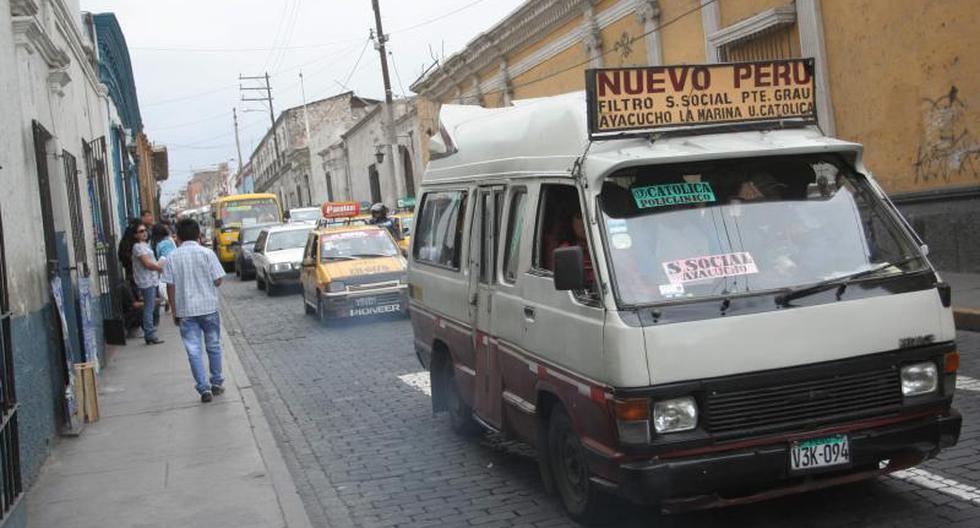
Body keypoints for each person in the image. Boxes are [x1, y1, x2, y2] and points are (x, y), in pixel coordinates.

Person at [162, 218, 227, 403]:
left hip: (186, 311)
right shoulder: (207, 253)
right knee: (213, 346)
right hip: (208, 308)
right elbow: (218, 280)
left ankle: (203, 389)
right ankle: (216, 382)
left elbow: (170, 286)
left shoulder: (172, 257)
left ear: (178, 237)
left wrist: (174, 311)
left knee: (193, 350)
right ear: (198, 234)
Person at [132, 224, 164, 344]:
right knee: (149, 307)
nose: (144, 232)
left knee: (150, 306)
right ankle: (150, 334)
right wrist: (159, 268)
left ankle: (150, 332)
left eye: (145, 230)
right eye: (140, 231)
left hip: (151, 279)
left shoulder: (145, 245)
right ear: (135, 234)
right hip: (146, 281)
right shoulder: (137, 247)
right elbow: (147, 264)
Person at [152, 223, 177, 311]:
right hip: (174, 264)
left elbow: (159, 256)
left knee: (167, 284)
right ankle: (171, 302)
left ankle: (169, 302)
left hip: (163, 266)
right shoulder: (170, 239)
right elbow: (174, 250)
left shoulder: (158, 244)